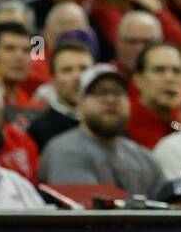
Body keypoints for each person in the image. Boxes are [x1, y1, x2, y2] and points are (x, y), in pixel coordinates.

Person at [38, 62, 169, 197]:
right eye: (100, 92)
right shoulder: (65, 150)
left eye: (118, 92)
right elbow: (89, 213)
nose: (111, 100)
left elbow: (169, 209)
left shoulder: (143, 157)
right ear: (80, 102)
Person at [25, 40, 94, 149]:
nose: (78, 77)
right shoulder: (38, 131)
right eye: (67, 70)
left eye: (84, 68)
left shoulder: (109, 123)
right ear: (53, 80)